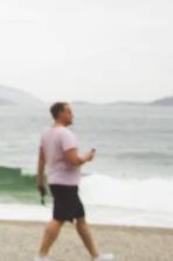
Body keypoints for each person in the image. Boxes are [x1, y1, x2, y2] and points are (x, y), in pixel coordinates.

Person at [35, 102, 114, 261]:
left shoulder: (46, 133)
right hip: (65, 183)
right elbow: (74, 160)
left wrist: (40, 181)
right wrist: (87, 157)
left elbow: (41, 159)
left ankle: (95, 256)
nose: (72, 115)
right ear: (60, 114)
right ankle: (41, 256)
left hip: (57, 181)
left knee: (80, 219)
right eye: (69, 112)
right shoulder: (65, 134)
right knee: (58, 219)